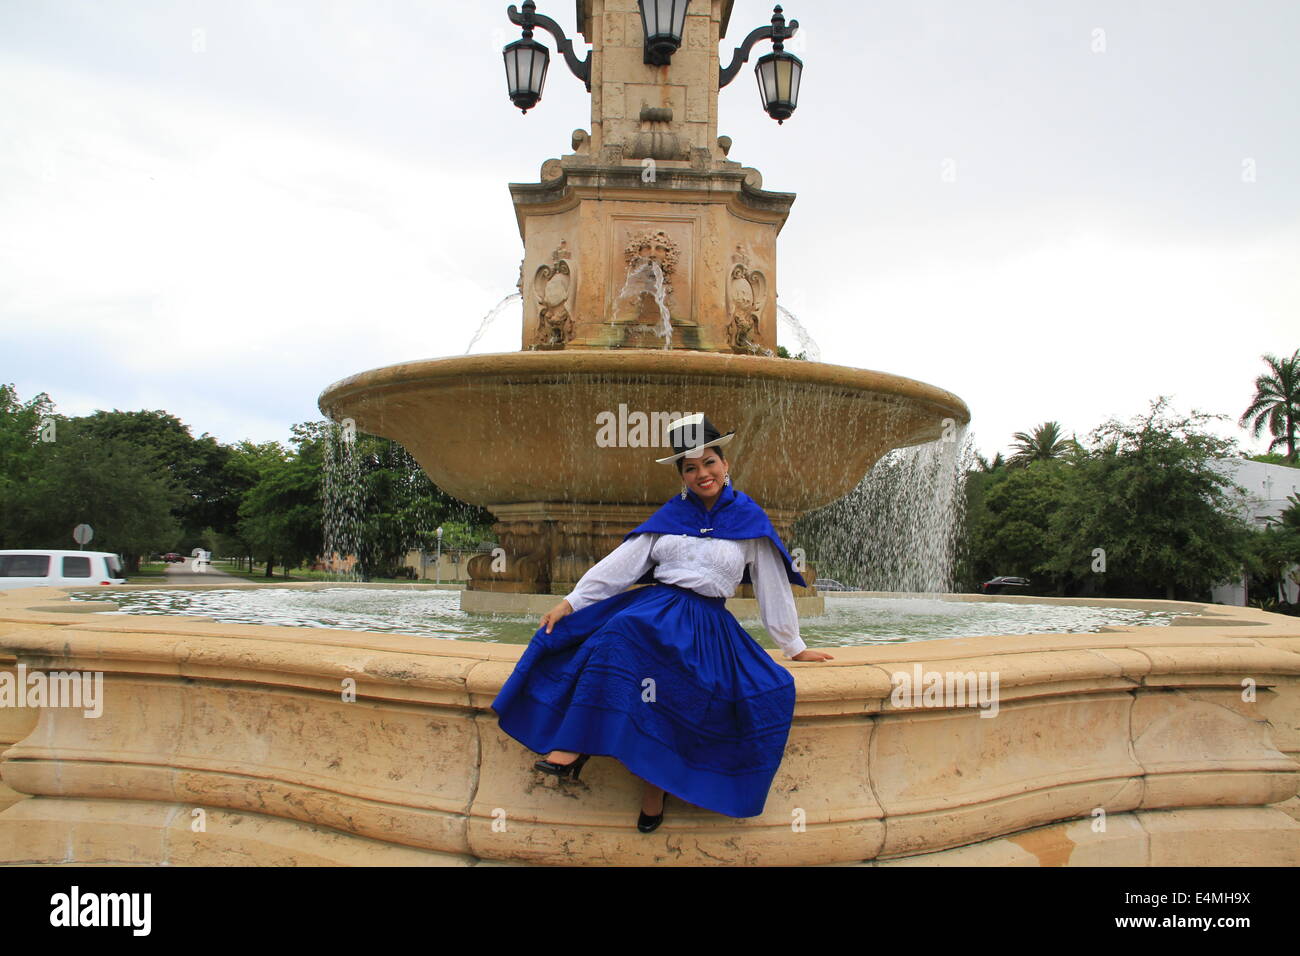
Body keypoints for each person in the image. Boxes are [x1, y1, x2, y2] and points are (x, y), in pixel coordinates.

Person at [490, 413, 834, 832]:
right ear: (682, 475)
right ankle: (573, 743)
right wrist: (572, 601)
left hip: (707, 623)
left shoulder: (750, 522)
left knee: (686, 686)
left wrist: (793, 645)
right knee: (617, 634)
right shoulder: (672, 516)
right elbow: (623, 565)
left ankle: (654, 787)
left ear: (725, 466)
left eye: (708, 463)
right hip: (655, 608)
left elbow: (772, 585)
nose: (701, 473)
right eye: (690, 467)